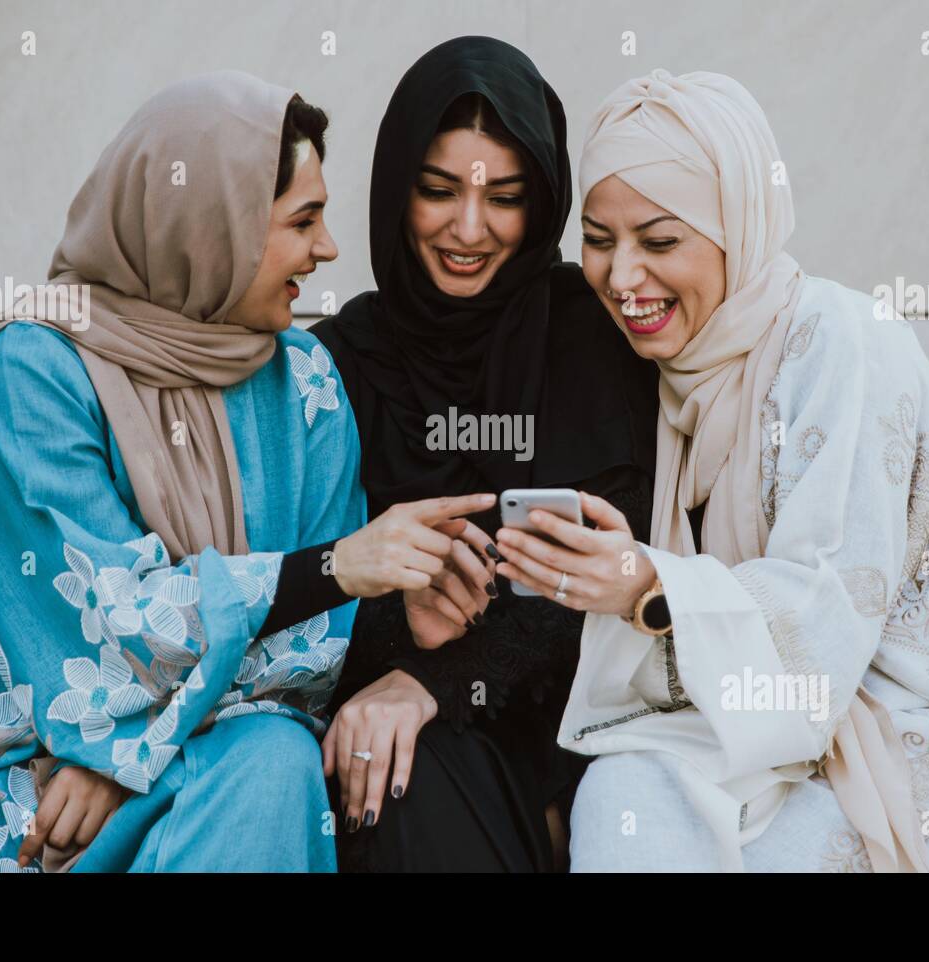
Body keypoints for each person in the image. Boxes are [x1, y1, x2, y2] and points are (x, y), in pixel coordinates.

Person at [0, 70, 493, 873]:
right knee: (261, 763)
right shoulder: (29, 373)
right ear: (212, 228)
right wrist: (333, 569)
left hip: (212, 757)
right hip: (23, 776)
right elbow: (103, 641)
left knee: (274, 761)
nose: (328, 248)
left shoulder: (305, 381)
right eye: (303, 220)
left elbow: (313, 655)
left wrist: (137, 758)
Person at [495, 69, 929, 872]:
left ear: (740, 226)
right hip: (754, 740)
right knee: (621, 794)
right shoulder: (673, 375)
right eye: (599, 241)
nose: (622, 276)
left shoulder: (841, 340)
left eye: (660, 241)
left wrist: (647, 583)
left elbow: (830, 605)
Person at [311, 36, 657, 871]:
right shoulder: (340, 361)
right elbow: (301, 581)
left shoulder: (596, 336)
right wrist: (400, 628)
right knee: (393, 772)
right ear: (396, 189)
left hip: (586, 714)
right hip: (397, 726)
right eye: (437, 191)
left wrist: (436, 681)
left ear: (542, 205)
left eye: (504, 198)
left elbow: (622, 558)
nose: (468, 230)